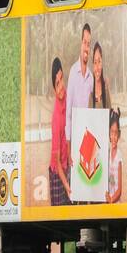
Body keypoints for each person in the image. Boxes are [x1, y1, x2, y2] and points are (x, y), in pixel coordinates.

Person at [65, 23, 93, 142]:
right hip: (75, 138)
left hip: (87, 138)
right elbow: (68, 110)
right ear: (81, 44)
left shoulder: (91, 77)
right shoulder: (73, 72)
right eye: (85, 43)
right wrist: (68, 139)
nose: (86, 47)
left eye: (89, 44)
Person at [49, 57, 71, 205]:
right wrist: (68, 187)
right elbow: (57, 163)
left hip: (67, 167)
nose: (61, 86)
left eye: (62, 79)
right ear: (54, 88)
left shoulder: (69, 99)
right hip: (58, 174)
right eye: (57, 84)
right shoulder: (56, 119)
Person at [106, 109, 123, 204]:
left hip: (115, 203)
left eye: (116, 133)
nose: (114, 136)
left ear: (119, 134)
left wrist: (111, 200)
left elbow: (120, 190)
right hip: (107, 201)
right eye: (112, 132)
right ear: (108, 133)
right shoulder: (106, 154)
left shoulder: (119, 157)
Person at [89, 41, 111, 109]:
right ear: (93, 65)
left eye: (99, 61)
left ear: (102, 63)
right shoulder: (89, 89)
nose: (97, 67)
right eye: (95, 62)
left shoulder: (106, 88)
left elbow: (110, 114)